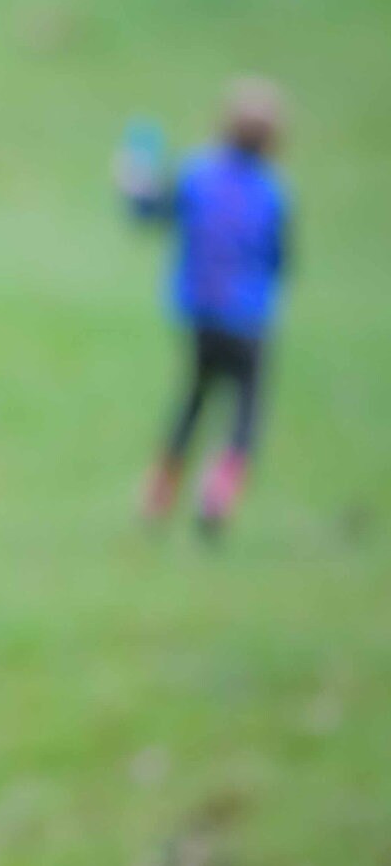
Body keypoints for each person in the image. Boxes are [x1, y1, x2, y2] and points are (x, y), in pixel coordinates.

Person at [118, 76, 291, 536]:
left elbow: (149, 212)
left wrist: (134, 181)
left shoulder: (199, 173)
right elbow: (280, 258)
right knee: (246, 412)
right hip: (249, 319)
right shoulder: (272, 191)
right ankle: (217, 494)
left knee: (193, 399)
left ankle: (158, 493)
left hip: (198, 313)